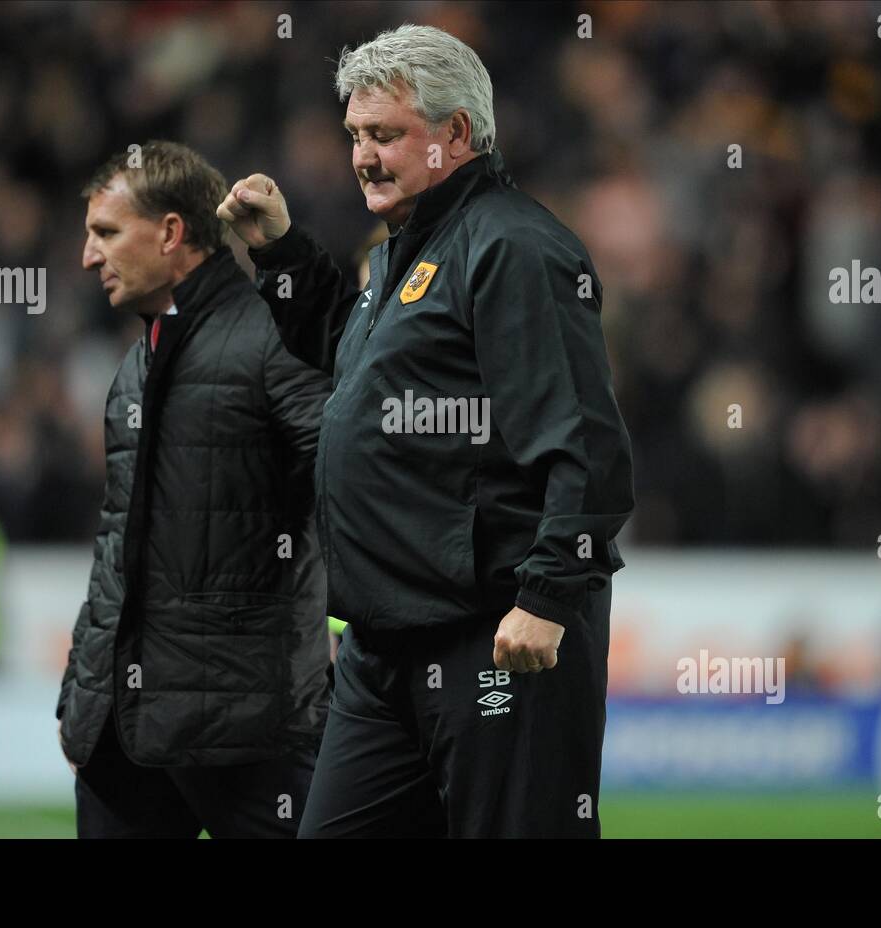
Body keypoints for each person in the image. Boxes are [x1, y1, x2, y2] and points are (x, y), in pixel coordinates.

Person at [216, 25, 634, 837]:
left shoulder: (514, 247)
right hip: (386, 646)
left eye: (385, 135)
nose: (363, 157)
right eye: (355, 137)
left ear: (457, 135)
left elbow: (587, 443)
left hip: (497, 635)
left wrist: (547, 597)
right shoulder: (409, 250)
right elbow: (355, 361)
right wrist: (283, 257)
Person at [58, 141, 332, 837]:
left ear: (172, 232)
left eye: (107, 233)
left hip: (245, 733)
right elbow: (117, 545)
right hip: (126, 733)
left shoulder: (272, 337)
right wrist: (85, 702)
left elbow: (348, 484)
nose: (90, 257)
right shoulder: (137, 363)